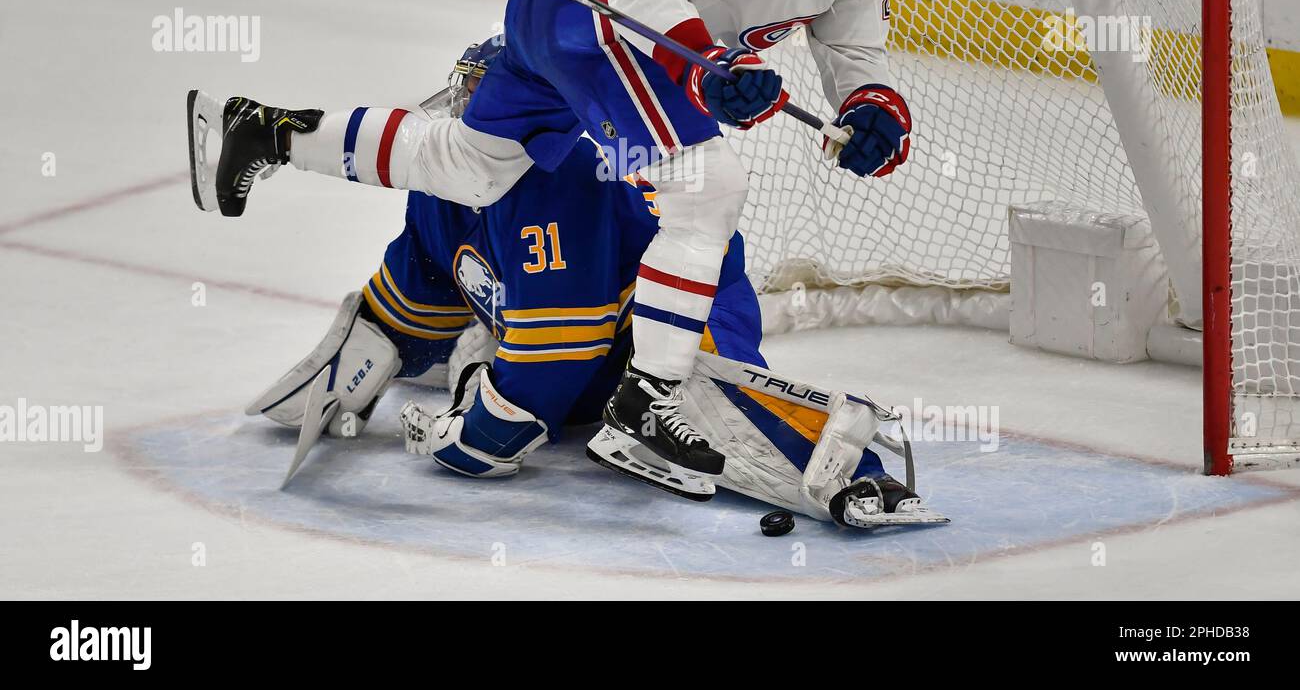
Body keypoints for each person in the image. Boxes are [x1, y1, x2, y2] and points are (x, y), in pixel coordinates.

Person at [196, 0, 932, 493]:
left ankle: (268, 132)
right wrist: (710, 68)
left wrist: (871, 106)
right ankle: (651, 399)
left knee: (470, 168)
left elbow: (851, 39)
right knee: (706, 186)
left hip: (555, 0)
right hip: (595, 7)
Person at [222, 39, 945, 526]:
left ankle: (853, 467)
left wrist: (466, 438)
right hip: (566, 335)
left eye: (490, 100)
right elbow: (416, 295)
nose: (473, 116)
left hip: (672, 313)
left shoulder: (556, 186)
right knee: (481, 346)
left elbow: (552, 363)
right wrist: (363, 356)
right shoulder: (444, 186)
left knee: (700, 392)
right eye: (469, 95)